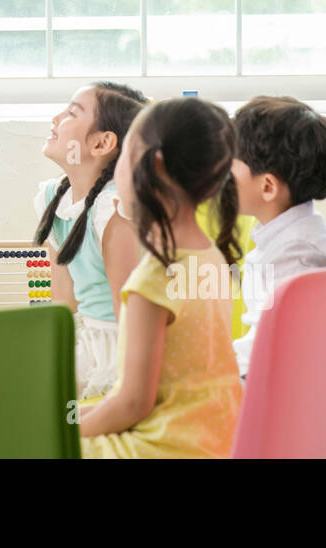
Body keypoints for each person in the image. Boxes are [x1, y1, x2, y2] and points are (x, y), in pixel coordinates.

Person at [79, 98, 244, 458]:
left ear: (153, 165)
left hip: (165, 447)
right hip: (216, 440)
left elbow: (132, 404)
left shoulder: (152, 281)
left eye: (122, 155)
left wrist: (61, 434)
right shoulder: (212, 257)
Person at [33, 82, 148, 399]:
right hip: (85, 340)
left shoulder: (111, 211)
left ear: (102, 144)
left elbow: (129, 313)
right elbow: (63, 302)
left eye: (71, 113)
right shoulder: (53, 197)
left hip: (117, 348)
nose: (56, 119)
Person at [230, 96, 326, 376]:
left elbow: (264, 350)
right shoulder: (293, 234)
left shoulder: (296, 254)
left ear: (268, 186)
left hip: (265, 394)